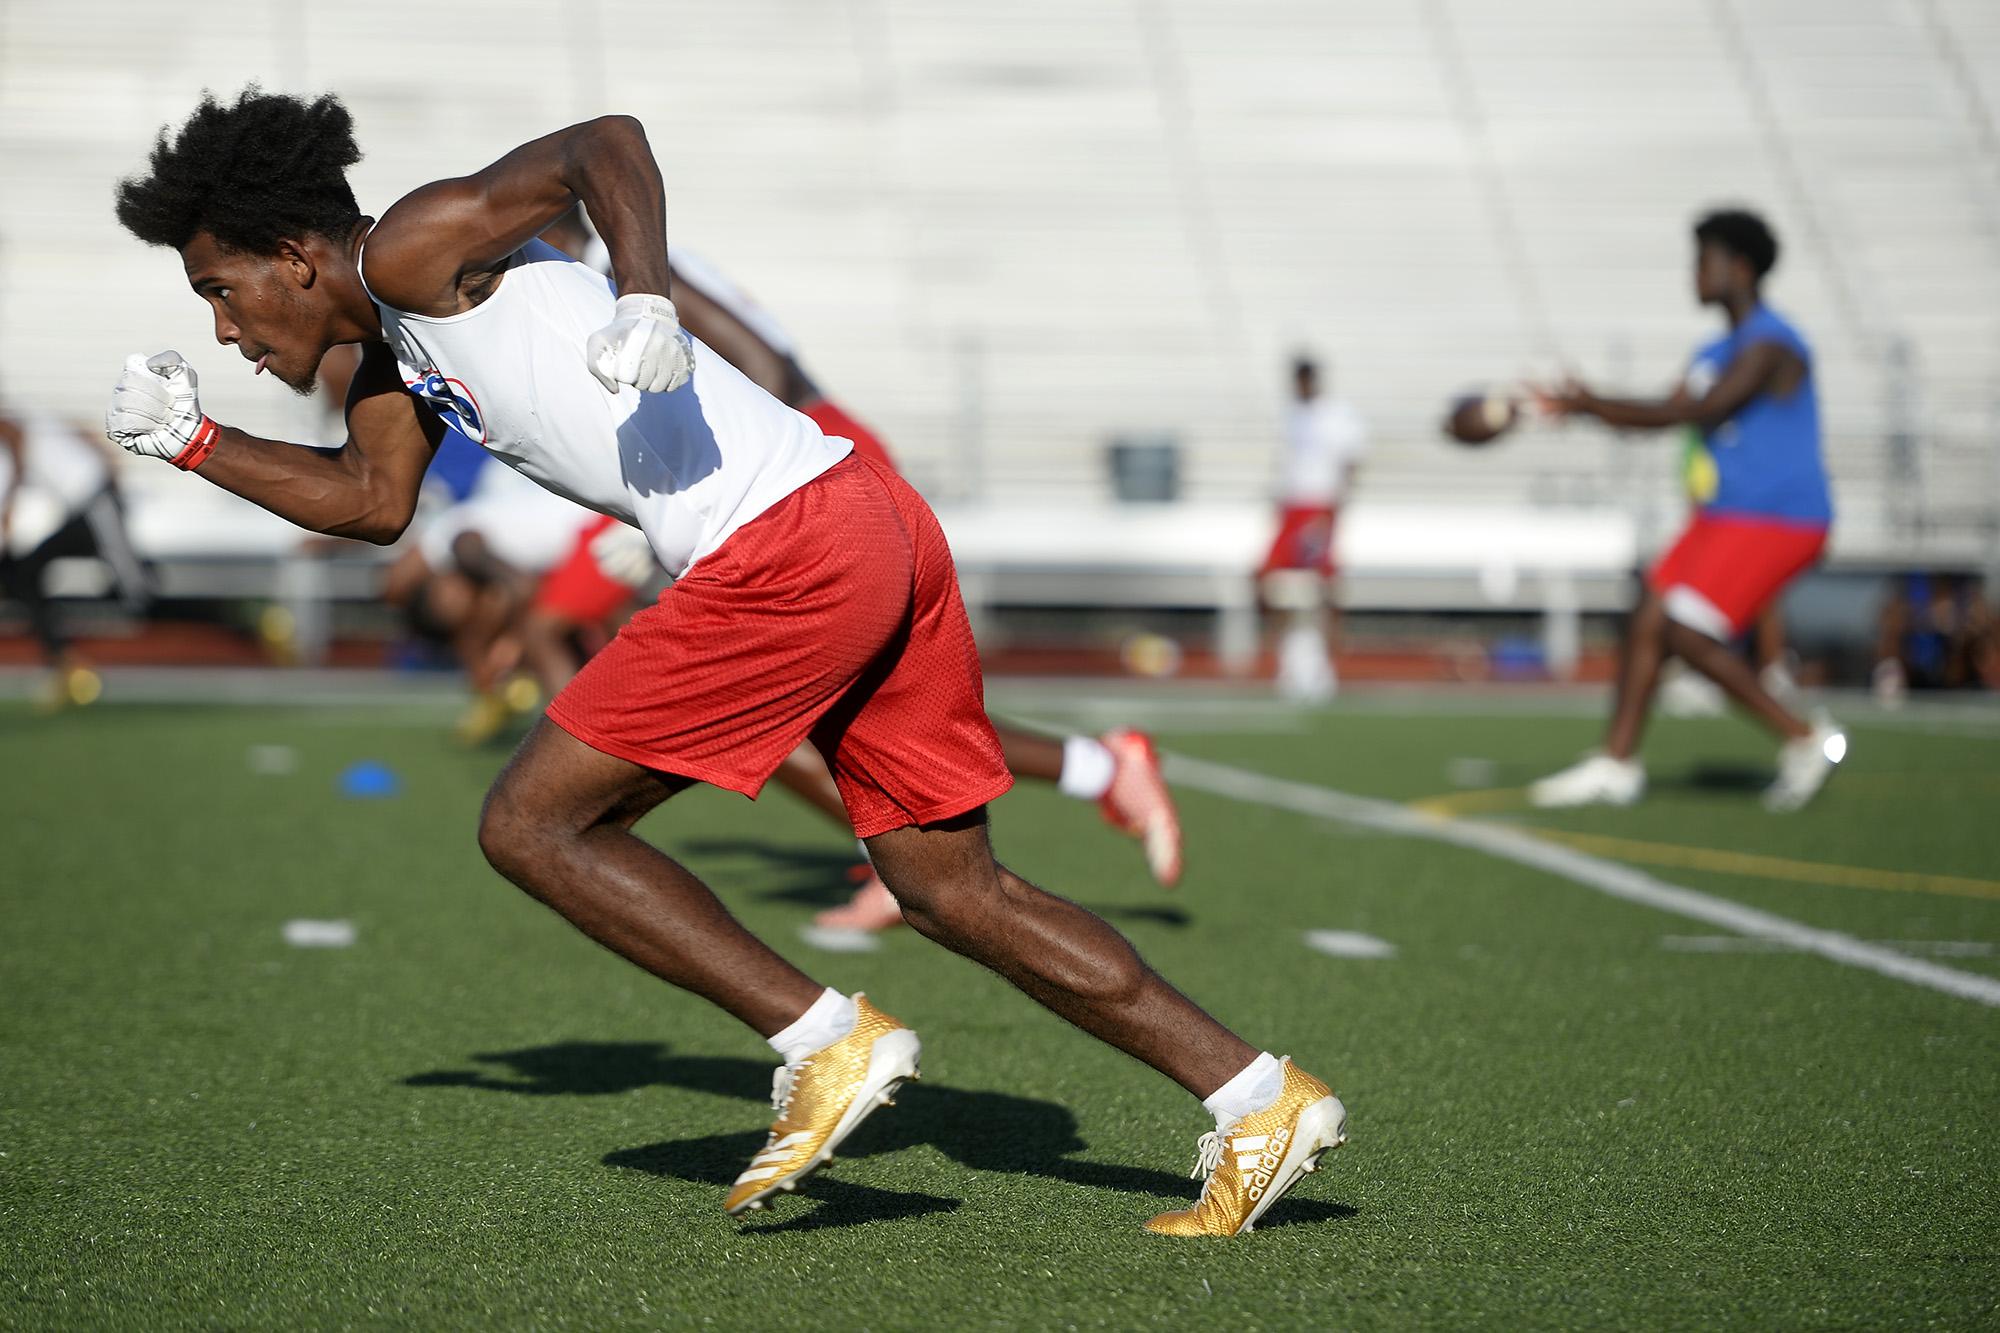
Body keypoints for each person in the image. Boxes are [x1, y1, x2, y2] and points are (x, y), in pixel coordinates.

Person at [105, 89, 1343, 1235]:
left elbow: (605, 141)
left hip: (785, 545)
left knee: (533, 826)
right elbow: (371, 505)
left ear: (295, 257)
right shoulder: (392, 350)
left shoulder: (410, 250)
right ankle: (1256, 1096)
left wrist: (644, 292)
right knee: (950, 888)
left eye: (219, 288)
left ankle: (821, 1040)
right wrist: (194, 440)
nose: (220, 327)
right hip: (866, 515)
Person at [654, 234, 1183, 926]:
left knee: (764, 701)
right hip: (795, 466)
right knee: (843, 707)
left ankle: (911, 854)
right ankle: (1092, 773)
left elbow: (765, 368)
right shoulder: (614, 254)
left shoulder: (619, 259)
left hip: (799, 469)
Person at [1529, 208, 1843, 812]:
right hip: (1727, 514)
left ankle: (1805, 739)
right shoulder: (1714, 350)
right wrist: (1581, 406)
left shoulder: (1771, 344)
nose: (1694, 273)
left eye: (1705, 260)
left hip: (1779, 514)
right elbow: (1661, 411)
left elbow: (1700, 412)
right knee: (1648, 614)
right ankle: (1615, 763)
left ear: (1741, 267)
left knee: (1685, 630)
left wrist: (1594, 404)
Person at [0, 403, 150, 709]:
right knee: (24, 574)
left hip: (95, 500)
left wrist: (10, 504)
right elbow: (80, 431)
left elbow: (17, 441)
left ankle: (247, 628)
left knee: (139, 591)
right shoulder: (32, 416)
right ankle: (65, 661)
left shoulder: (13, 422)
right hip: (82, 507)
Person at [1258, 354, 1364, 701]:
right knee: (1271, 580)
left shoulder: (1335, 415)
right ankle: (1286, 657)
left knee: (1324, 583)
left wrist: (1336, 506)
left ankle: (1328, 662)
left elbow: (1349, 461)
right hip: (1292, 506)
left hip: (1319, 504)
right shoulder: (1290, 415)